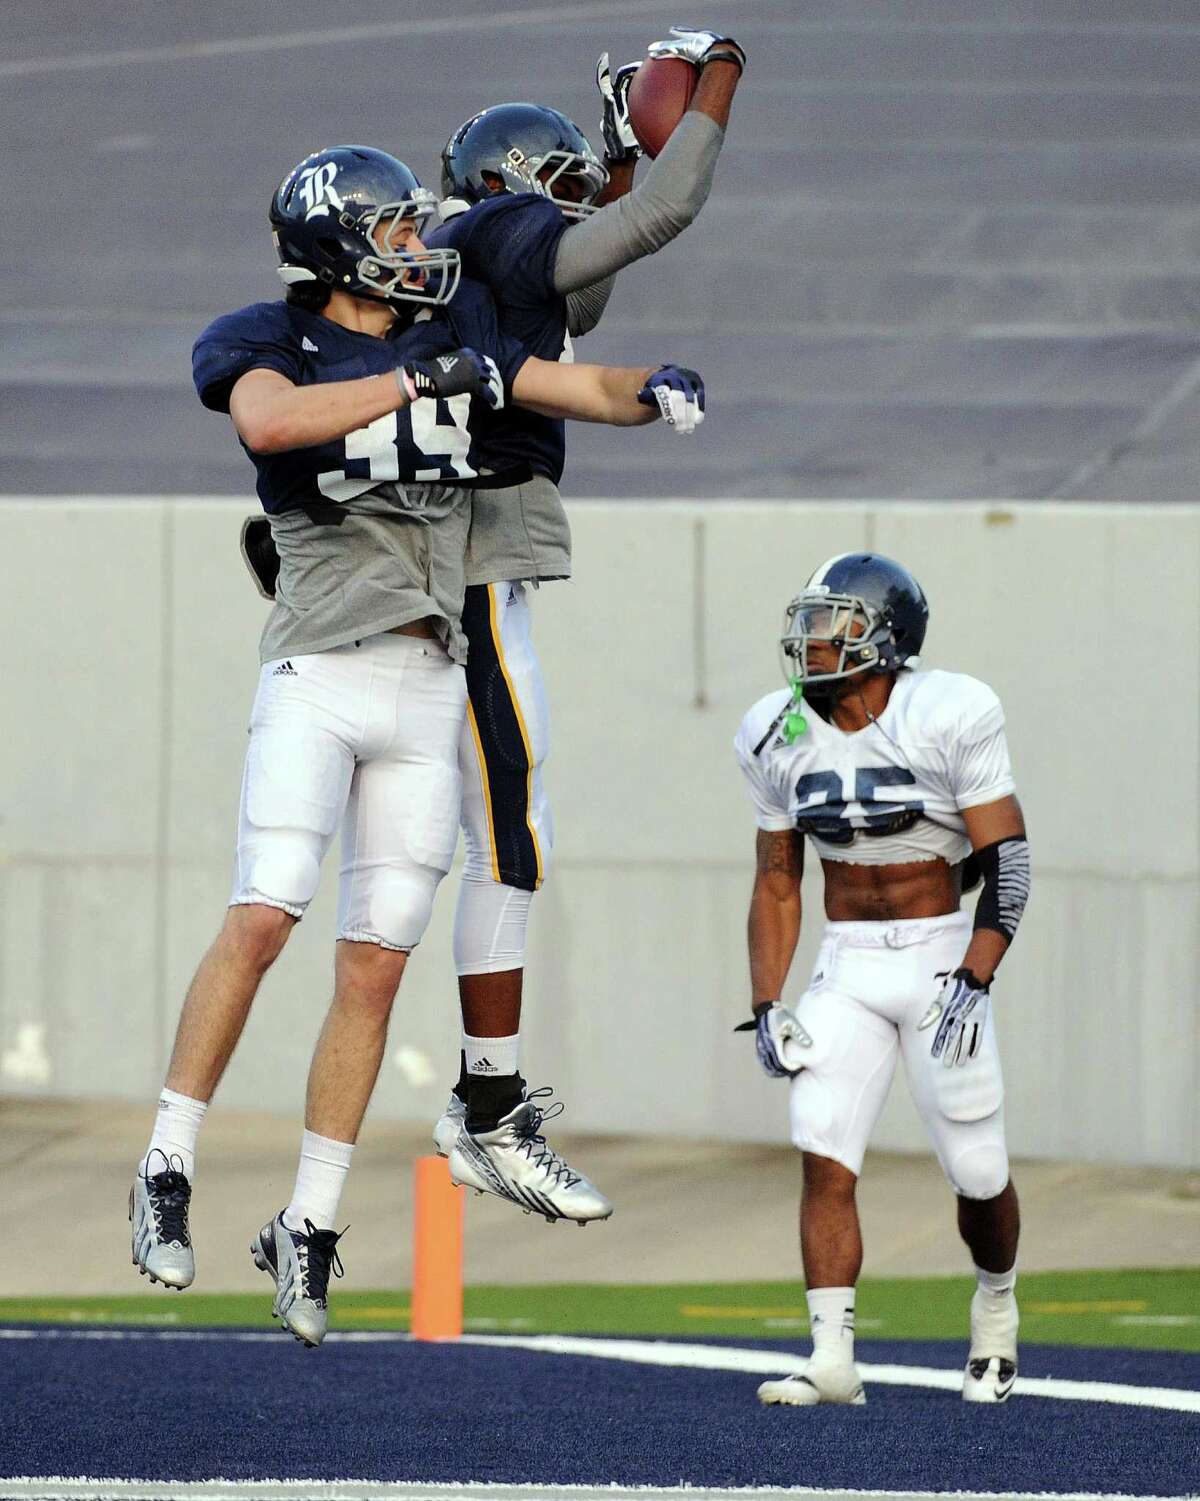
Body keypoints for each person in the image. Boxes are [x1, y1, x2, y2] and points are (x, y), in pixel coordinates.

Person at [128, 143, 704, 1345]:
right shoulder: (268, 336)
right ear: (335, 241)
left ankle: (308, 1223)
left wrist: (653, 388)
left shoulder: (448, 335)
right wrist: (408, 383)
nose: (416, 243)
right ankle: (167, 1162)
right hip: (319, 668)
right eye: (392, 228)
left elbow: (567, 385)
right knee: (266, 912)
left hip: (429, 678)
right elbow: (270, 422)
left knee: (378, 962)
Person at [422, 26, 745, 1210]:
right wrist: (719, 81)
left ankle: (464, 1109)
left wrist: (609, 156)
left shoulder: (468, 254)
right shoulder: (496, 231)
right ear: (511, 186)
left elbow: (581, 307)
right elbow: (655, 220)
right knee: (507, 836)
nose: (571, 209)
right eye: (556, 187)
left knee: (408, 871)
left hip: (448, 564)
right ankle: (488, 1105)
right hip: (468, 569)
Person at [733, 553, 1029, 1405]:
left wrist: (976, 973)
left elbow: (1007, 860)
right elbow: (778, 879)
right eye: (811, 623)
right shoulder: (776, 728)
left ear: (886, 637)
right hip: (850, 959)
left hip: (939, 953)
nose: (812, 641)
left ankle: (997, 1307)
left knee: (977, 1168)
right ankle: (832, 1355)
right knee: (822, 1145)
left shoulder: (949, 711)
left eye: (834, 624)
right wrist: (767, 1000)